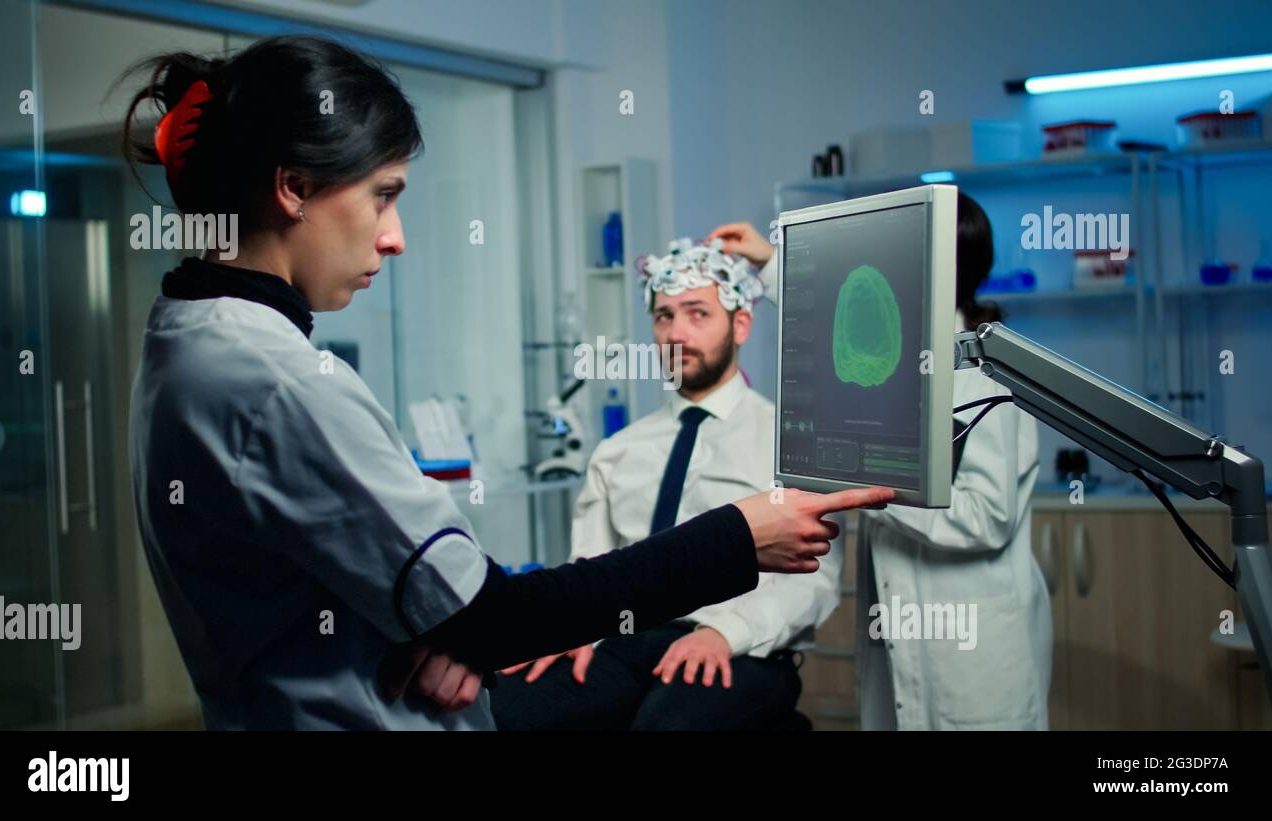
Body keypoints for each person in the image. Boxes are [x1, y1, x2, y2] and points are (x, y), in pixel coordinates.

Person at [122, 35, 895, 731]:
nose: (394, 237)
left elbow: (409, 594)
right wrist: (737, 534)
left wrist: (450, 625)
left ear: (740, 322)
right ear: (292, 187)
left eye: (698, 313)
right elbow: (496, 614)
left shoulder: (187, 342)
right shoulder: (281, 382)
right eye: (383, 194)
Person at [708, 191, 1050, 730]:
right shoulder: (900, 352)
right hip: (901, 636)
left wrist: (865, 480)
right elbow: (826, 321)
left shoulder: (980, 376)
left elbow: (988, 518)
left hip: (972, 647)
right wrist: (772, 264)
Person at [492, 239, 843, 731]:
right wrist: (568, 629)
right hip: (623, 640)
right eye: (663, 316)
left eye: (697, 313)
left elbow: (816, 582)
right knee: (507, 708)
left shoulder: (790, 442)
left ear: (740, 324)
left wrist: (726, 633)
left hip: (740, 648)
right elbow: (590, 566)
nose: (676, 333)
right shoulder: (618, 450)